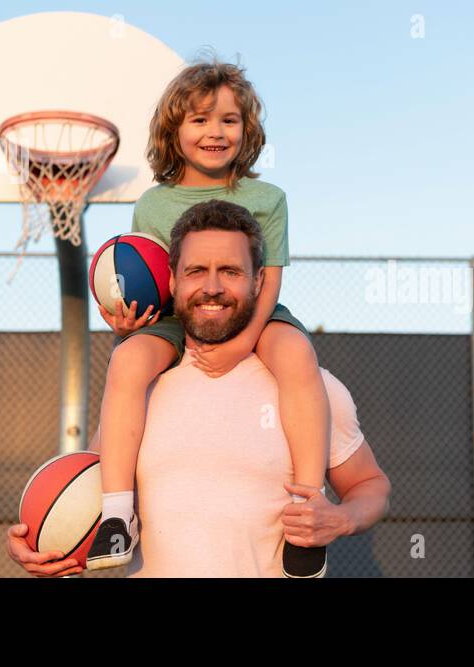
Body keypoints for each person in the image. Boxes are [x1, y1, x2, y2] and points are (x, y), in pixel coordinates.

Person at [8, 200, 390, 577]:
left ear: (259, 281)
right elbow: (84, 498)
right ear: (172, 280)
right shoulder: (139, 388)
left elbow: (370, 485)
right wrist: (41, 542)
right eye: (196, 271)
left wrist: (341, 518)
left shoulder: (311, 387)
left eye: (230, 271)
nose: (212, 287)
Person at [89, 57, 334, 577]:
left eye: (229, 120)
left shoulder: (268, 199)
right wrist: (131, 326)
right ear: (173, 131)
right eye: (199, 119)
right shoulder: (154, 203)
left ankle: (306, 505)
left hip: (253, 306)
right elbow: (157, 280)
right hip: (181, 315)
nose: (215, 131)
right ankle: (116, 512)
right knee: (128, 362)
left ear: (247, 132)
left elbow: (267, 278)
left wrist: (244, 342)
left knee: (295, 351)